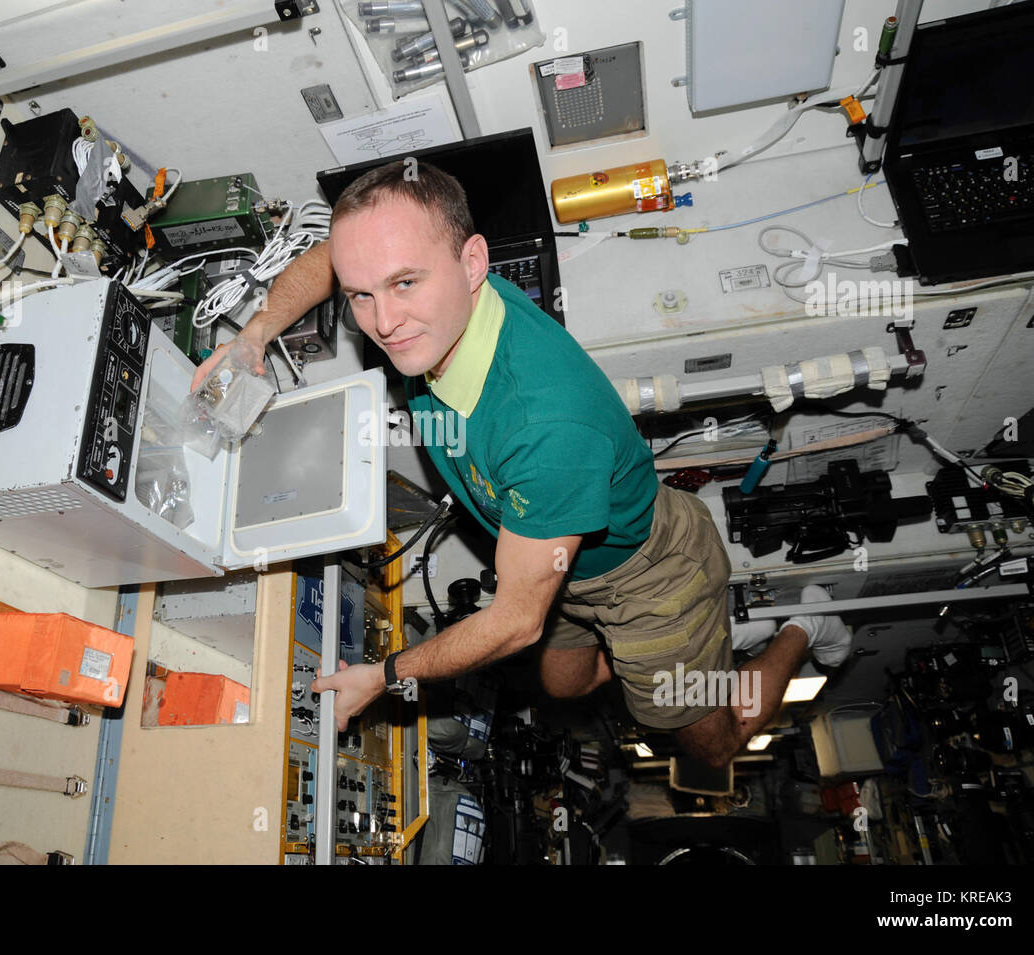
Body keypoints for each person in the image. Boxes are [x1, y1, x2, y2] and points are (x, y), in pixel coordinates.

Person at [191, 160, 853, 767]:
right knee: (564, 683)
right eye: (363, 295)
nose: (383, 321)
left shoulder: (545, 428)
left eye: (404, 284)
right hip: (563, 561)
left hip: (649, 574)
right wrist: (253, 337)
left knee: (707, 745)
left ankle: (804, 622)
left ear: (473, 262)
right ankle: (660, 655)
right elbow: (328, 261)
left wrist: (386, 675)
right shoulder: (435, 315)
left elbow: (515, 621)